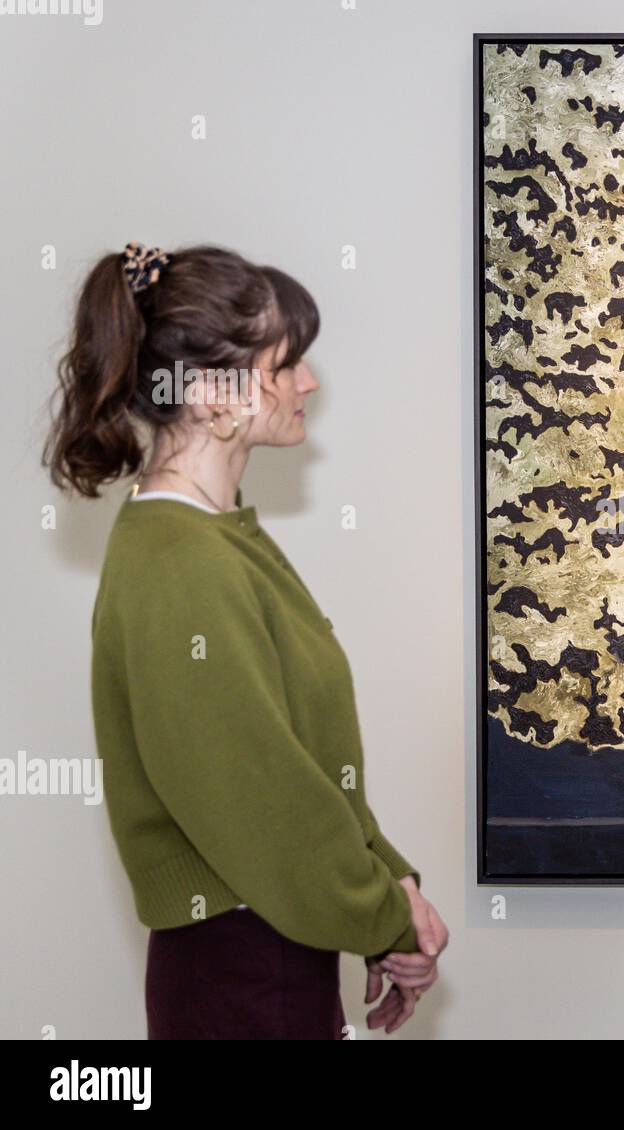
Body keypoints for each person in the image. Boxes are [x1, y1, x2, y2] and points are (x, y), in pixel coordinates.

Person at [43, 242, 448, 1038]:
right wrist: (387, 918)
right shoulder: (180, 561)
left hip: (277, 952)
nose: (308, 383)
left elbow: (303, 770)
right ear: (212, 391)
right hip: (241, 973)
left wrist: (388, 889)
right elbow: (265, 802)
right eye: (286, 363)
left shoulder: (213, 538)